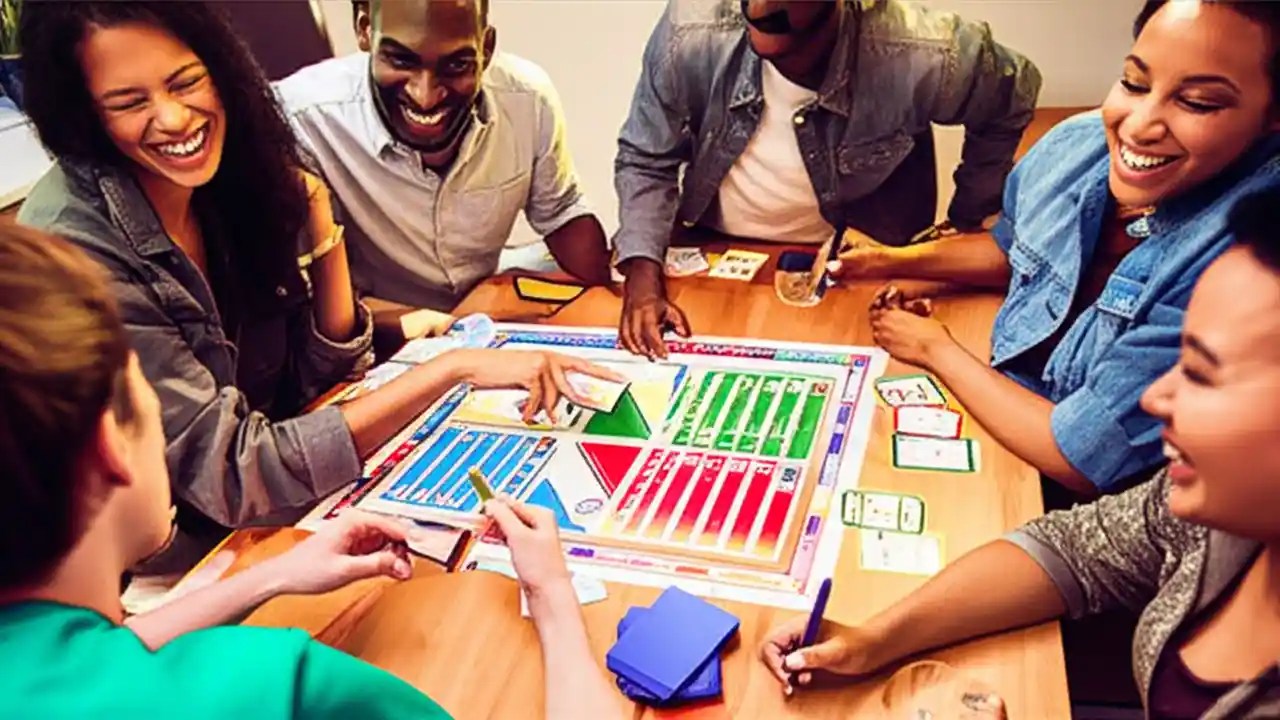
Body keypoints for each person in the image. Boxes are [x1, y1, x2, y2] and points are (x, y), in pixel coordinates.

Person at [16, 0, 619, 571]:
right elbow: (233, 477)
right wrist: (450, 369)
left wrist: (318, 220)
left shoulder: (236, 166)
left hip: (291, 513)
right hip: (174, 565)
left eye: (185, 82)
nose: (174, 119)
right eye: (128, 102)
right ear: (84, 114)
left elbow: (317, 383)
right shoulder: (77, 249)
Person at [0, 223, 625, 719]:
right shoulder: (285, 689)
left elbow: (91, 662)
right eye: (148, 404)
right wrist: (550, 593)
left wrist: (272, 576)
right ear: (109, 447)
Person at [762, 186, 1280, 718]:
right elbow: (1078, 551)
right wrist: (873, 640)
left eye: (1202, 371)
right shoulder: (1212, 516)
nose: (1156, 395)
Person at [850, 0, 1280, 498]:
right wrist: (890, 260)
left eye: (1199, 102)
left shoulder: (1251, 258)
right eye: (1135, 83)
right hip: (1006, 421)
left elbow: (1082, 458)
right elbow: (1013, 251)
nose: (1137, 126)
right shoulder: (1075, 143)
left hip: (1082, 505)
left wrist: (934, 348)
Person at [613, 0, 1042, 359]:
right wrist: (643, 278)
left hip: (863, 264)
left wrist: (965, 222)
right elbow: (646, 157)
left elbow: (1011, 92)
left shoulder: (922, 51)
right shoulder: (692, 27)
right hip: (716, 249)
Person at [273, 0, 613, 311]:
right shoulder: (301, 119)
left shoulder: (527, 99)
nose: (425, 96)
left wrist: (623, 291)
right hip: (379, 333)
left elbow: (562, 212)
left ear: (487, 47)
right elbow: (306, 304)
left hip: (482, 314)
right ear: (365, 31)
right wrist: (451, 323)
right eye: (401, 60)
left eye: (456, 65)